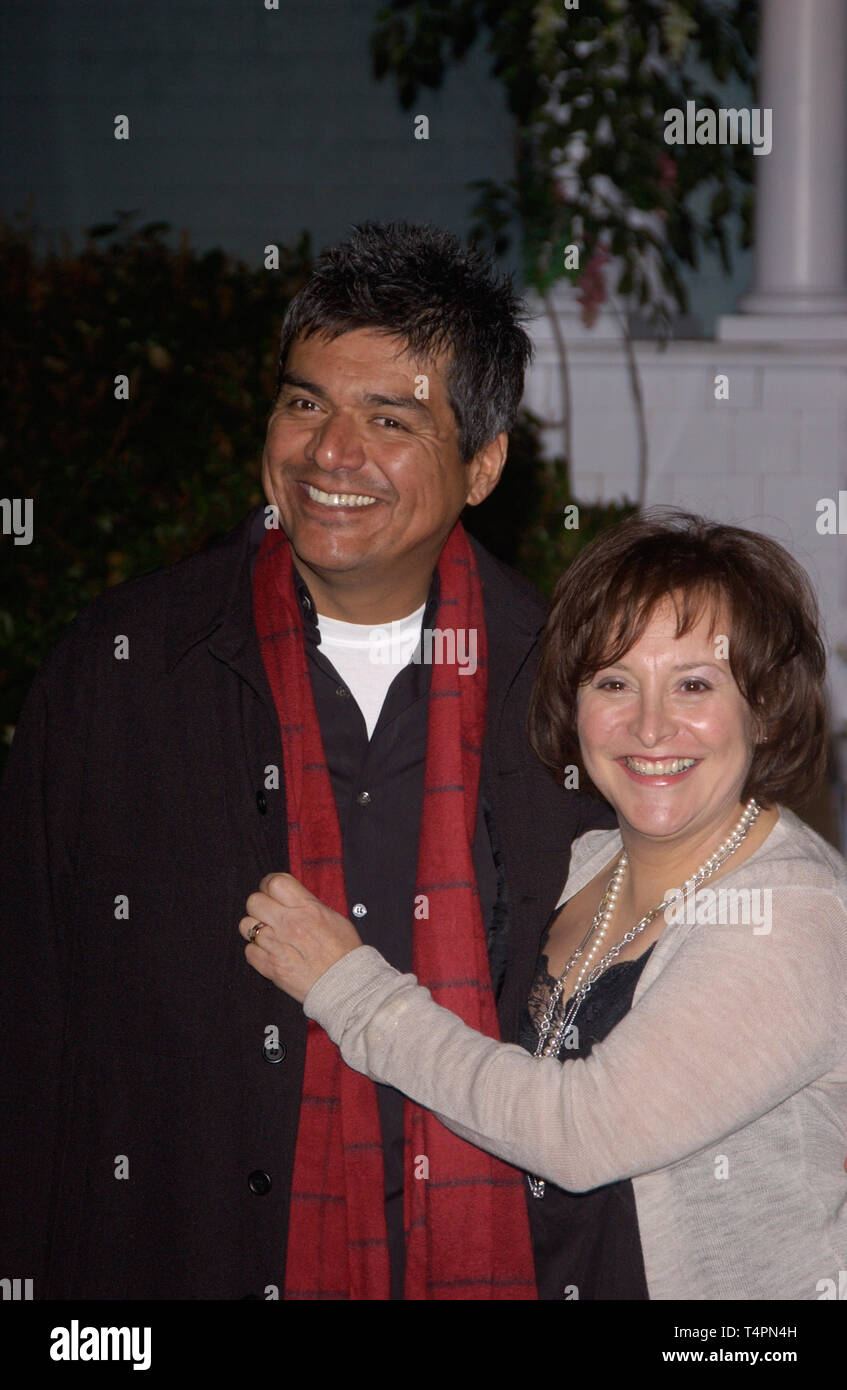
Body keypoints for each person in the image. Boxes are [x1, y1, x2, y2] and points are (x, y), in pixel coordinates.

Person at [0, 222, 614, 1301]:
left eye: (390, 418)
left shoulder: (569, 693)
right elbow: (29, 1007)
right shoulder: (124, 672)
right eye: (304, 402)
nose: (331, 453)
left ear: (481, 465)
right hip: (180, 1255)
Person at [240, 510, 847, 1300]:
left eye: (694, 684)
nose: (651, 725)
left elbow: (577, 1132)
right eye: (613, 682)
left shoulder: (787, 914)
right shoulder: (585, 860)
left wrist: (347, 986)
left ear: (762, 708)